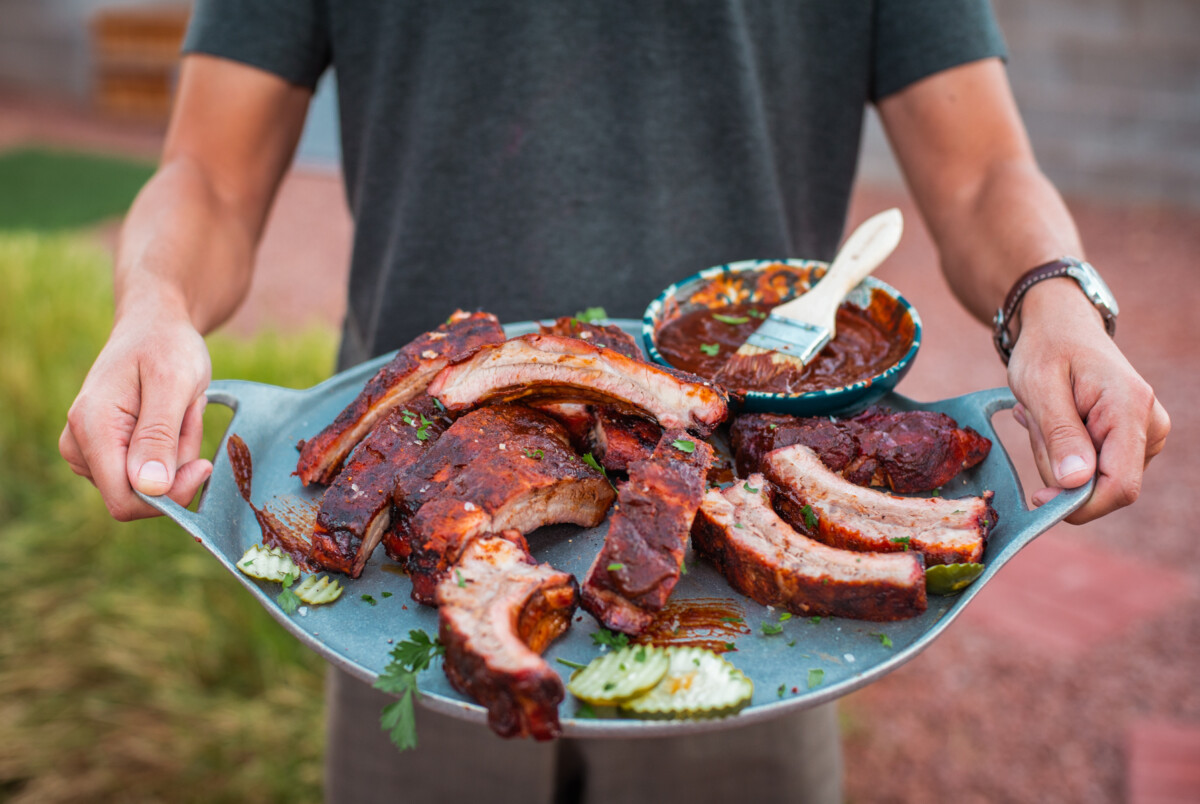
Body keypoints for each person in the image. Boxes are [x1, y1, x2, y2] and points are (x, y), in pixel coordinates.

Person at [59, 2, 1169, 802]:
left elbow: (980, 172)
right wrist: (155, 303)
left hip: (743, 618)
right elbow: (205, 169)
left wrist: (1054, 300)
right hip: (401, 558)